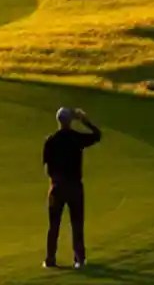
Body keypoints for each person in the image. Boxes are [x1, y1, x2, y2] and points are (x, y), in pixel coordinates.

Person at [42, 106, 101, 269]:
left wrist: (54, 183)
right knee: (77, 224)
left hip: (56, 187)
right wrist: (85, 121)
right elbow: (97, 136)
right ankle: (79, 259)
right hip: (75, 186)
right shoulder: (76, 138)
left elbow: (47, 169)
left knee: (53, 225)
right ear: (70, 121)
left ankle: (50, 259)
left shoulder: (50, 141)